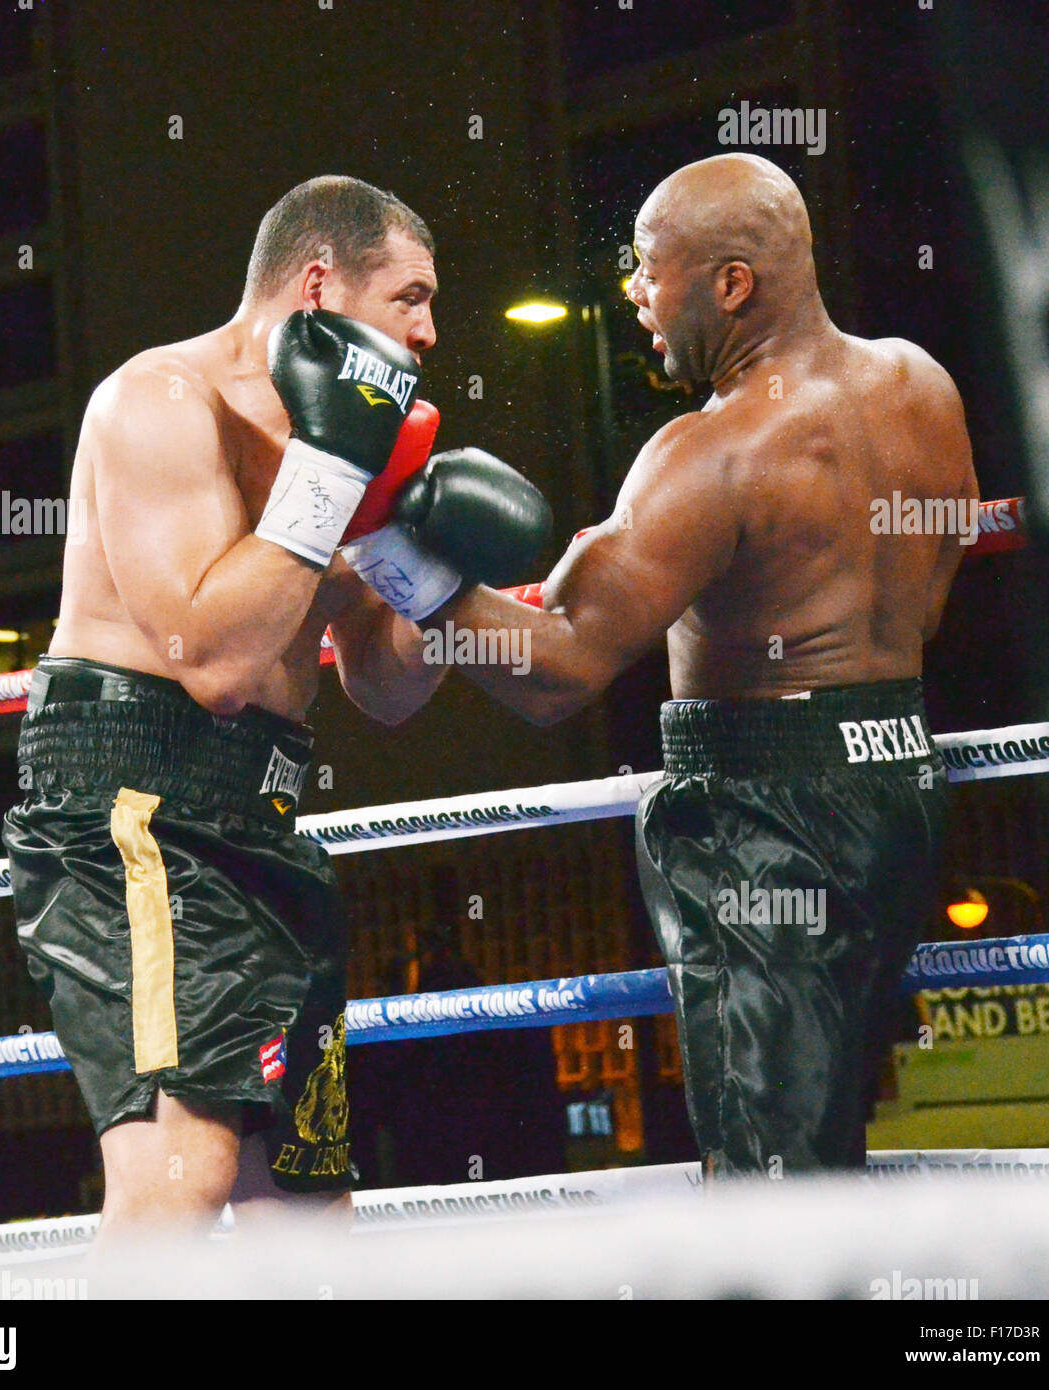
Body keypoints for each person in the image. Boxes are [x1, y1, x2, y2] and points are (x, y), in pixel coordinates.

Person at [1, 175, 549, 1243]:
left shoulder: (370, 446)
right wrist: (329, 470)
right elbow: (211, 660)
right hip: (131, 807)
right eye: (410, 298)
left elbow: (382, 689)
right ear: (317, 285)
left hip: (265, 816)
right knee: (184, 1168)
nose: (430, 332)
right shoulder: (161, 401)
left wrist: (433, 572)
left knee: (305, 1200)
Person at [416, 153, 978, 1176]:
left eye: (649, 264)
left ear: (730, 284)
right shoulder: (920, 384)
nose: (632, 289)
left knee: (766, 1169)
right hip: (898, 785)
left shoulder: (713, 452)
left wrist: (409, 573)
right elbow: (933, 597)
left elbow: (560, 669)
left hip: (763, 820)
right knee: (825, 1145)